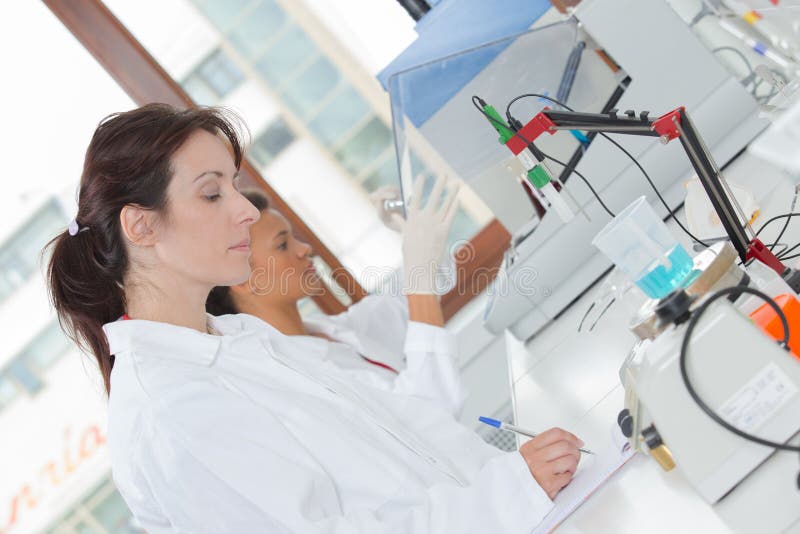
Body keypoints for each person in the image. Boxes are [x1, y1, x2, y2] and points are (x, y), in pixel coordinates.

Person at [47, 103, 585, 533]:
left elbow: (404, 428)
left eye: (234, 186)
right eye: (212, 193)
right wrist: (509, 493)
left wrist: (512, 481)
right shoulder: (169, 412)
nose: (246, 211)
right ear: (141, 228)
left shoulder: (240, 338)